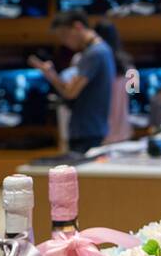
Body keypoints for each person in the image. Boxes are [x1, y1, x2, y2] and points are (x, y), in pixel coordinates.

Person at [29, 10, 116, 153]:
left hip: (86, 131)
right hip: (94, 128)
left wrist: (51, 75)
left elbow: (70, 93)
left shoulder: (93, 53)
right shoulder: (103, 50)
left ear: (78, 27)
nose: (64, 41)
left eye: (64, 35)